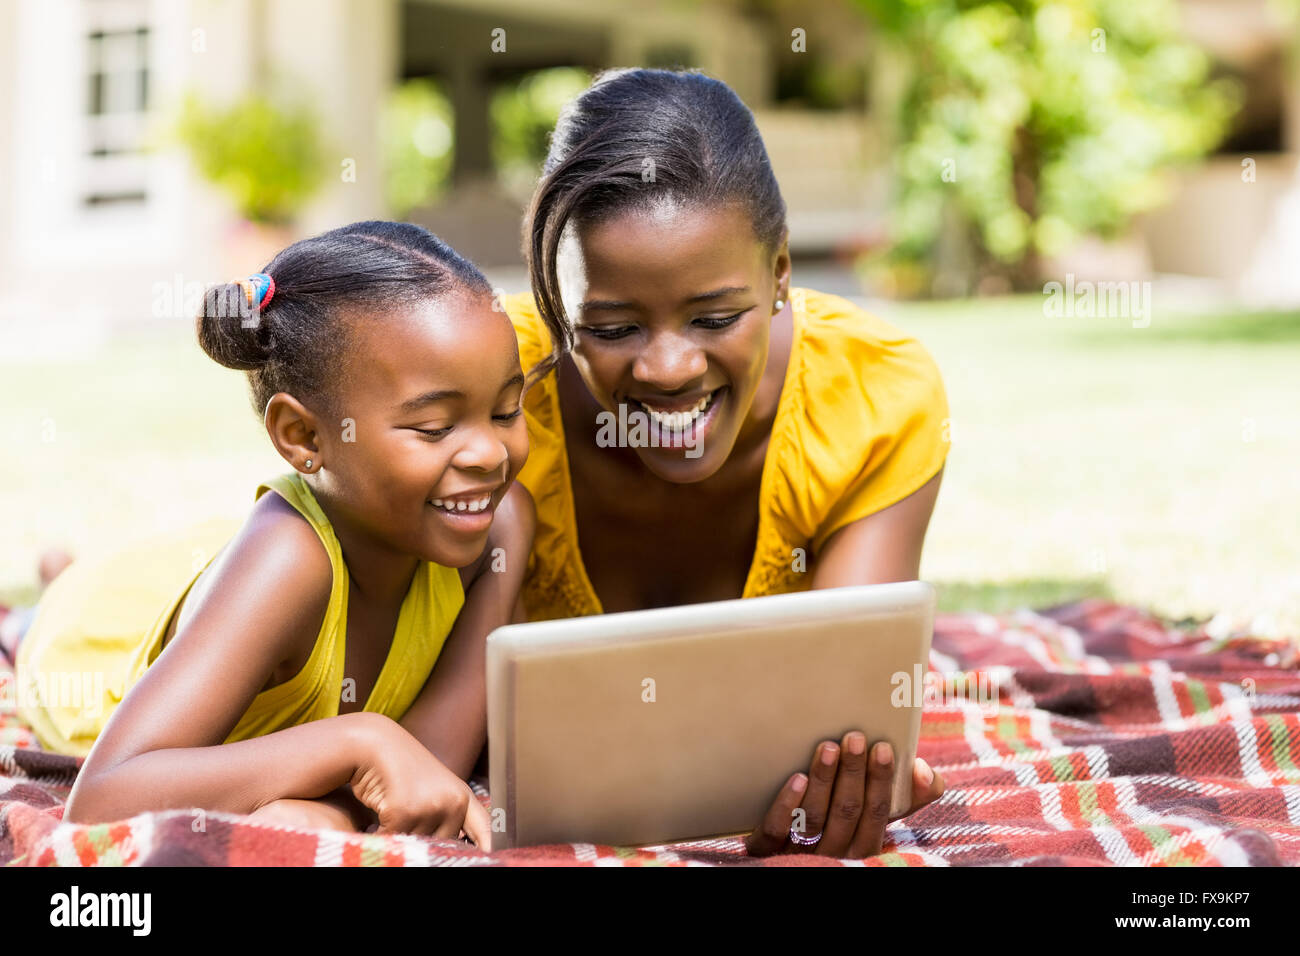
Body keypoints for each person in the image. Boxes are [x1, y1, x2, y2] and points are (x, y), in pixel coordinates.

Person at [503, 68, 950, 858]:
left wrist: (838, 777)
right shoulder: (487, 392)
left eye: (714, 317)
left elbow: (842, 727)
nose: (668, 368)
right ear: (552, 300)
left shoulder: (872, 395)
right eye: (610, 329)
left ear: (781, 272)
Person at [15, 221, 534, 845]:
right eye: (432, 427)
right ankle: (57, 582)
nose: (487, 454)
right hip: (96, 632)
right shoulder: (290, 560)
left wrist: (337, 810)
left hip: (208, 562)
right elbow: (102, 797)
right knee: (69, 603)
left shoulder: (498, 524)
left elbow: (431, 757)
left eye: (506, 410)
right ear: (304, 437)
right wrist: (355, 738)